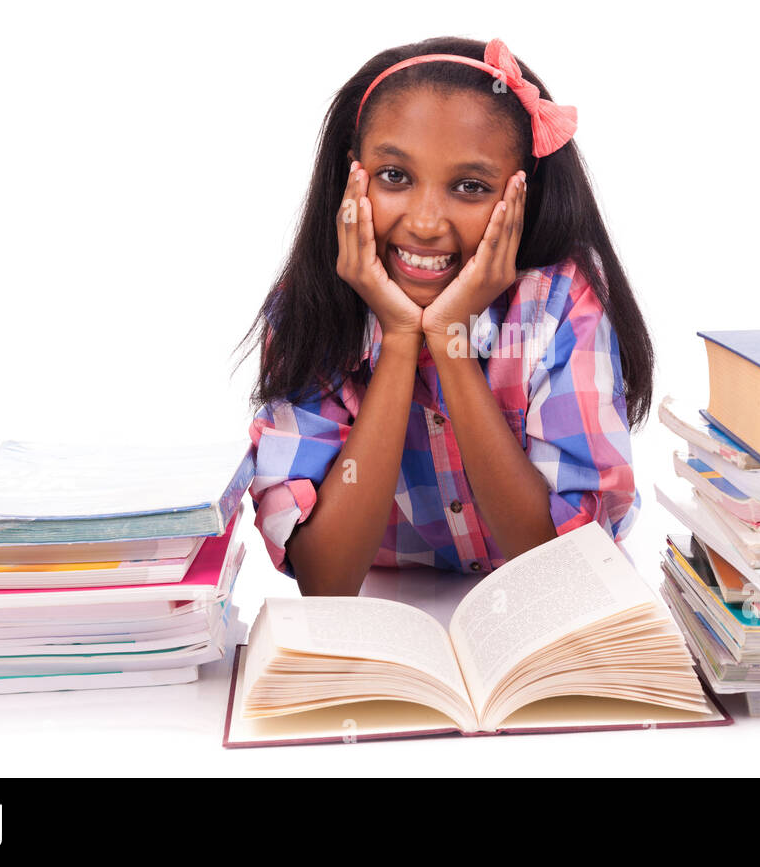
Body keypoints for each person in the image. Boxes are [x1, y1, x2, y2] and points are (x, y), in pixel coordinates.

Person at [240, 36, 654, 595]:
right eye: (394, 176)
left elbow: (565, 574)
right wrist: (402, 338)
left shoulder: (560, 304)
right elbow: (326, 578)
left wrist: (450, 343)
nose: (427, 223)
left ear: (521, 196)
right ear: (352, 177)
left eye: (469, 187)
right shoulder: (309, 309)